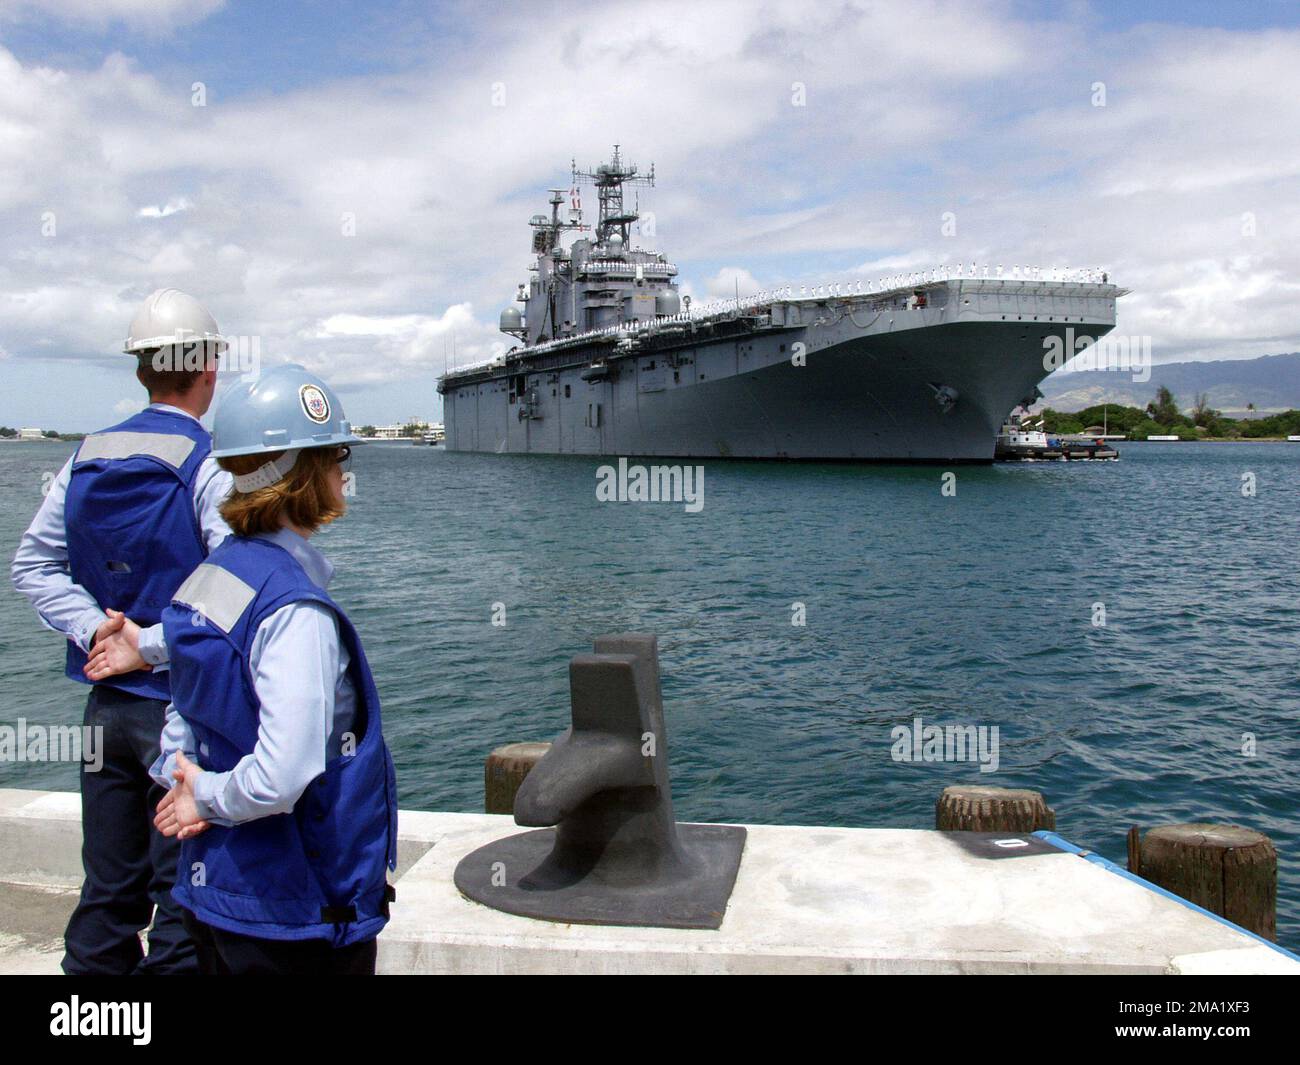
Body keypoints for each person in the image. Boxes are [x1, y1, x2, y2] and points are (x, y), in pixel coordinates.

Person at [10, 288, 234, 975]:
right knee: (181, 896)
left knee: (107, 890)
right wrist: (147, 642)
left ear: (140, 370)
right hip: (180, 709)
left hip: (103, 709)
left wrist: (96, 633)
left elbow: (32, 564)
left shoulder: (84, 455)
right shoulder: (210, 462)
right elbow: (232, 588)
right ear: (209, 370)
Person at [151, 364, 398, 976]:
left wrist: (183, 784)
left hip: (215, 899)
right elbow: (284, 774)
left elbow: (181, 717)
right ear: (297, 471)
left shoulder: (209, 577)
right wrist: (203, 797)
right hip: (296, 916)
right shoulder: (294, 609)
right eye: (335, 452)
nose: (345, 468)